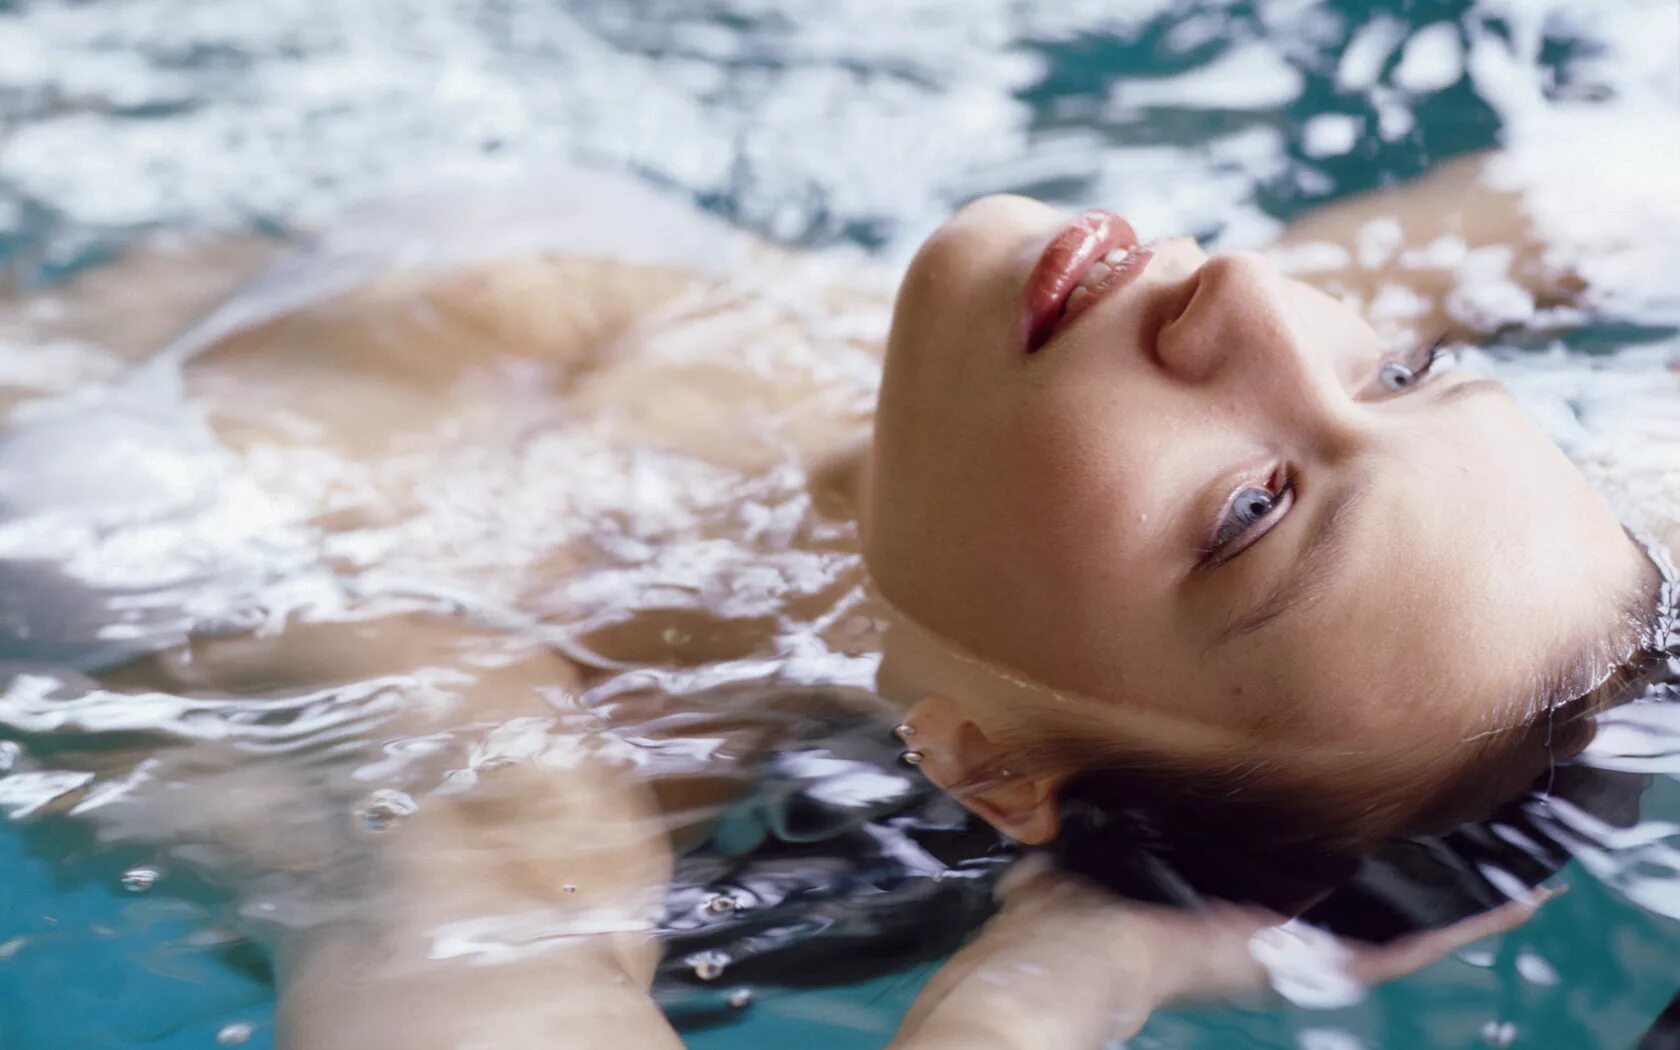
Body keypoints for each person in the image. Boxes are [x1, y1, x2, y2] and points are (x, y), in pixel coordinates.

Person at [0, 149, 1670, 1048]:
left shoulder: (494, 774)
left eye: (1247, 511)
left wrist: (1052, 989)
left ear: (992, 762)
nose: (1254, 297)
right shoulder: (1005, 402)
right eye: (1407, 369)